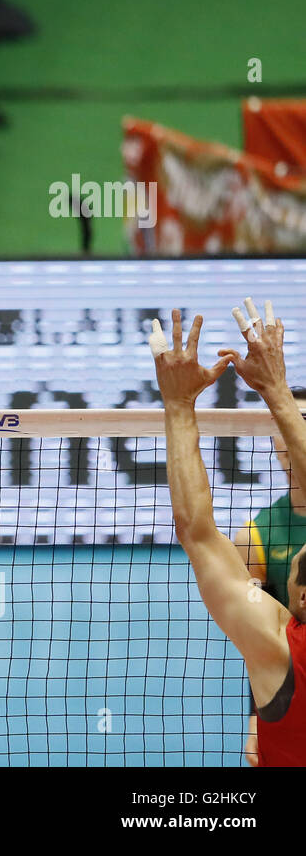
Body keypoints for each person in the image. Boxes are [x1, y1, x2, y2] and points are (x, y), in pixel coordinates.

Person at [151, 299, 306, 766]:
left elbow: (196, 533)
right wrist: (277, 390)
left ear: (300, 600)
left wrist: (178, 405)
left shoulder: (280, 645)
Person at [234, 384, 306, 765]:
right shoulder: (255, 537)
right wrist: (256, 716)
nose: (291, 431)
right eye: (281, 422)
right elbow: (259, 636)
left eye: (301, 421)